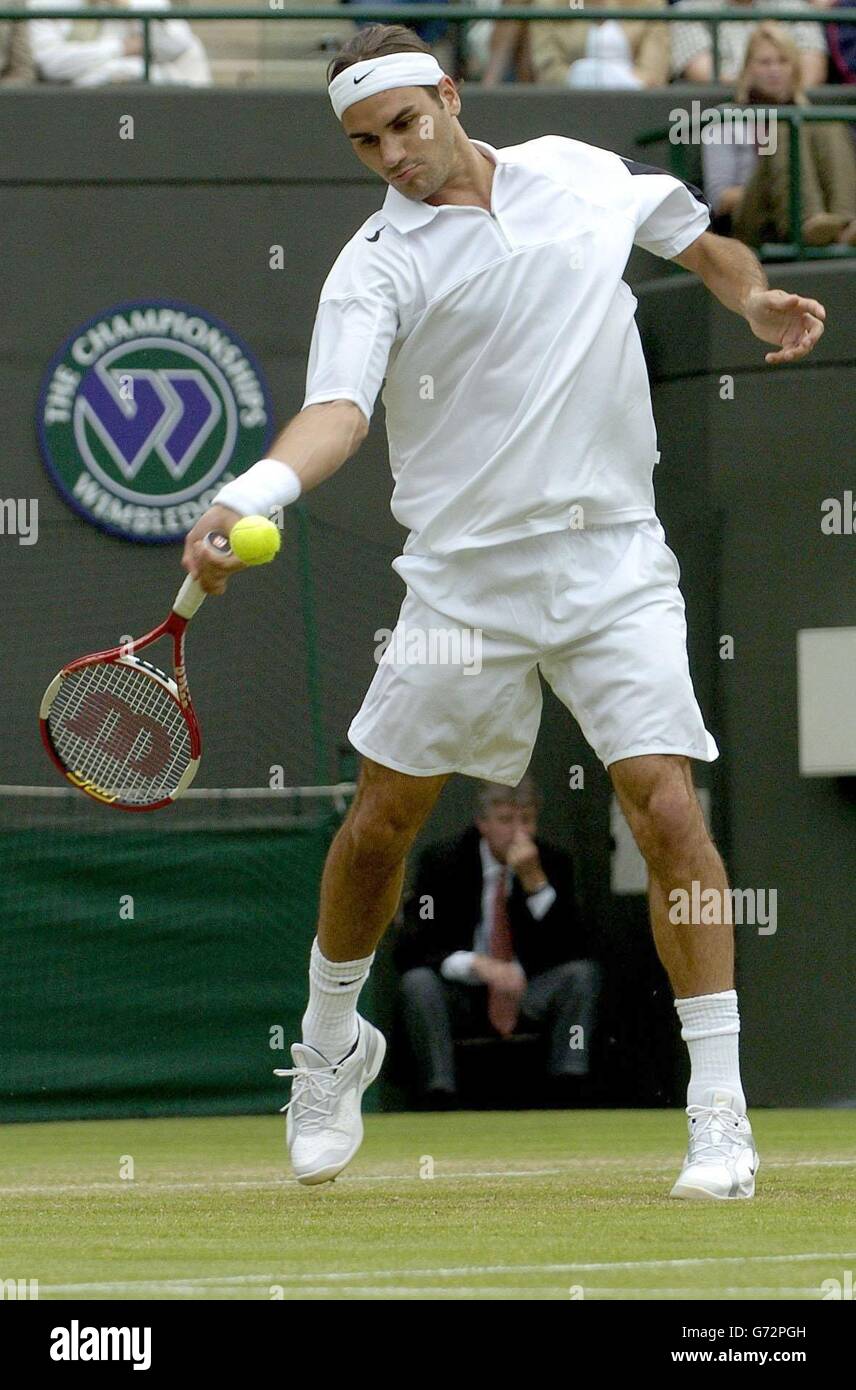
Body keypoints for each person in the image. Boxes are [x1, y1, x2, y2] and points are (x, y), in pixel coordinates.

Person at [182, 22, 826, 1199]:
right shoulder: (373, 265)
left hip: (612, 560)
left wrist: (752, 296)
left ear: (450, 93)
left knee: (669, 804)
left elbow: (700, 239)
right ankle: (330, 1043)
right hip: (464, 577)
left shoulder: (579, 175)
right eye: (365, 142)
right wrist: (250, 490)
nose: (391, 155)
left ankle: (718, 1112)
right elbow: (338, 411)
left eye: (404, 124)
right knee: (382, 818)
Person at [395, 778, 600, 1107]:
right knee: (418, 983)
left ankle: (570, 1088)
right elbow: (412, 948)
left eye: (527, 820)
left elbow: (575, 947)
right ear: (482, 824)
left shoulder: (552, 862)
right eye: (506, 820)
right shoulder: (442, 862)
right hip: (464, 993)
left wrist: (536, 885)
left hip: (529, 990)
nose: (518, 833)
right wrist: (478, 965)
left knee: (581, 976)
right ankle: (438, 1094)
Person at [703, 23, 856, 245]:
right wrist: (776, 186)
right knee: (785, 125)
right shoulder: (725, 116)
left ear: (794, 68)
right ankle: (807, 220)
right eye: (765, 62)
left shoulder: (813, 118)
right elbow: (719, 199)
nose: (774, 69)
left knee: (826, 123)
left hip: (824, 215)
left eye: (783, 61)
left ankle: (846, 224)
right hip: (751, 218)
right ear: (747, 69)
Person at [27, 0, 211, 86]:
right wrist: (123, 47)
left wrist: (127, 7)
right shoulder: (44, 4)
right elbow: (50, 64)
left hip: (151, 104)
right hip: (75, 107)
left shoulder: (145, 3)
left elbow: (177, 46)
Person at [670, 0, 828, 86]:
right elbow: (702, 73)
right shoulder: (689, 9)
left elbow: (812, 72)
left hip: (791, 109)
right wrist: (762, 92)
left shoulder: (796, 7)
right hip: (718, 112)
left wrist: (776, 94)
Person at [531, 0, 670, 89]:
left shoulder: (650, 3)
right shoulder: (548, 5)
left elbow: (654, 73)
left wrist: (624, 81)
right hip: (568, 104)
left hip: (636, 104)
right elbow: (548, 70)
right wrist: (580, 78)